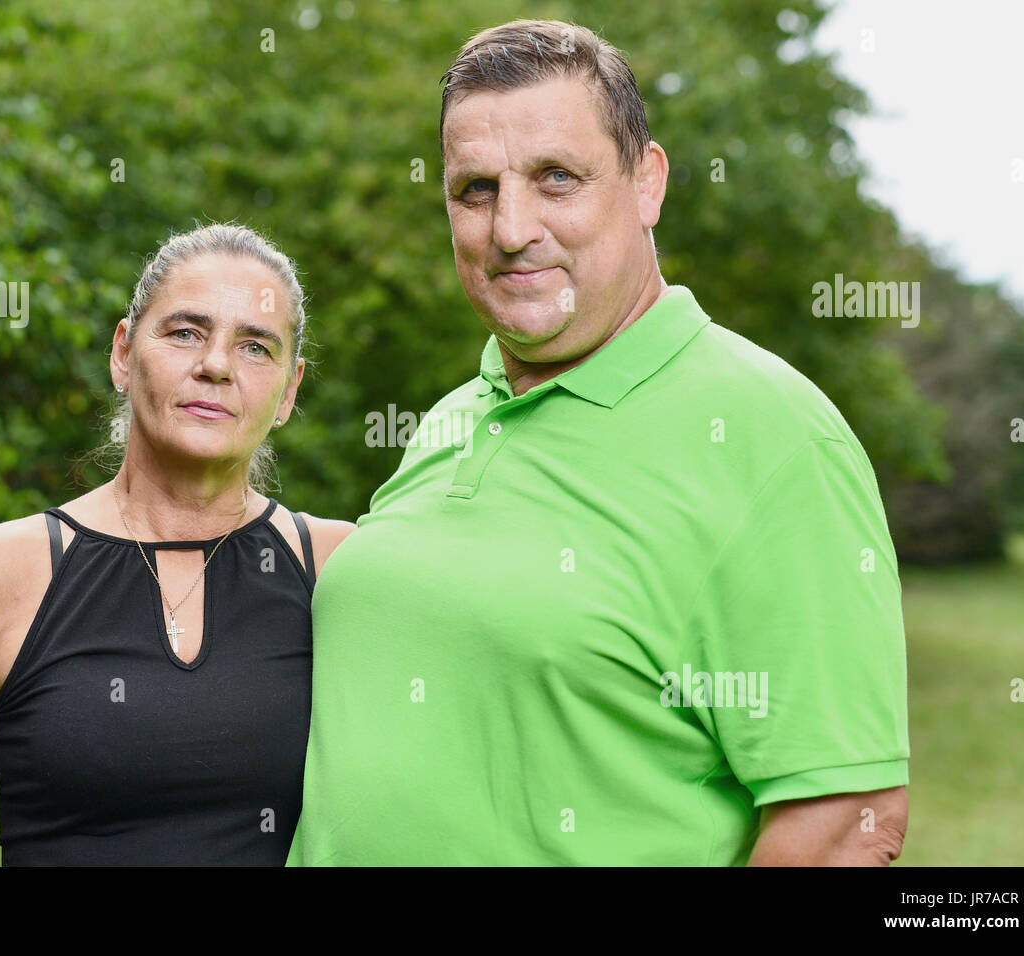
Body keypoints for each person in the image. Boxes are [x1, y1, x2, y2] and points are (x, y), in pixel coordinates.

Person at [287, 20, 910, 865]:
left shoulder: (775, 434)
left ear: (647, 182)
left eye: (556, 179)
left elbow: (846, 820)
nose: (511, 228)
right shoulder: (449, 418)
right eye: (476, 189)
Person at [0, 222, 354, 866]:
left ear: (289, 390)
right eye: (185, 332)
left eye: (254, 347)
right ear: (123, 354)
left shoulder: (338, 570)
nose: (215, 364)